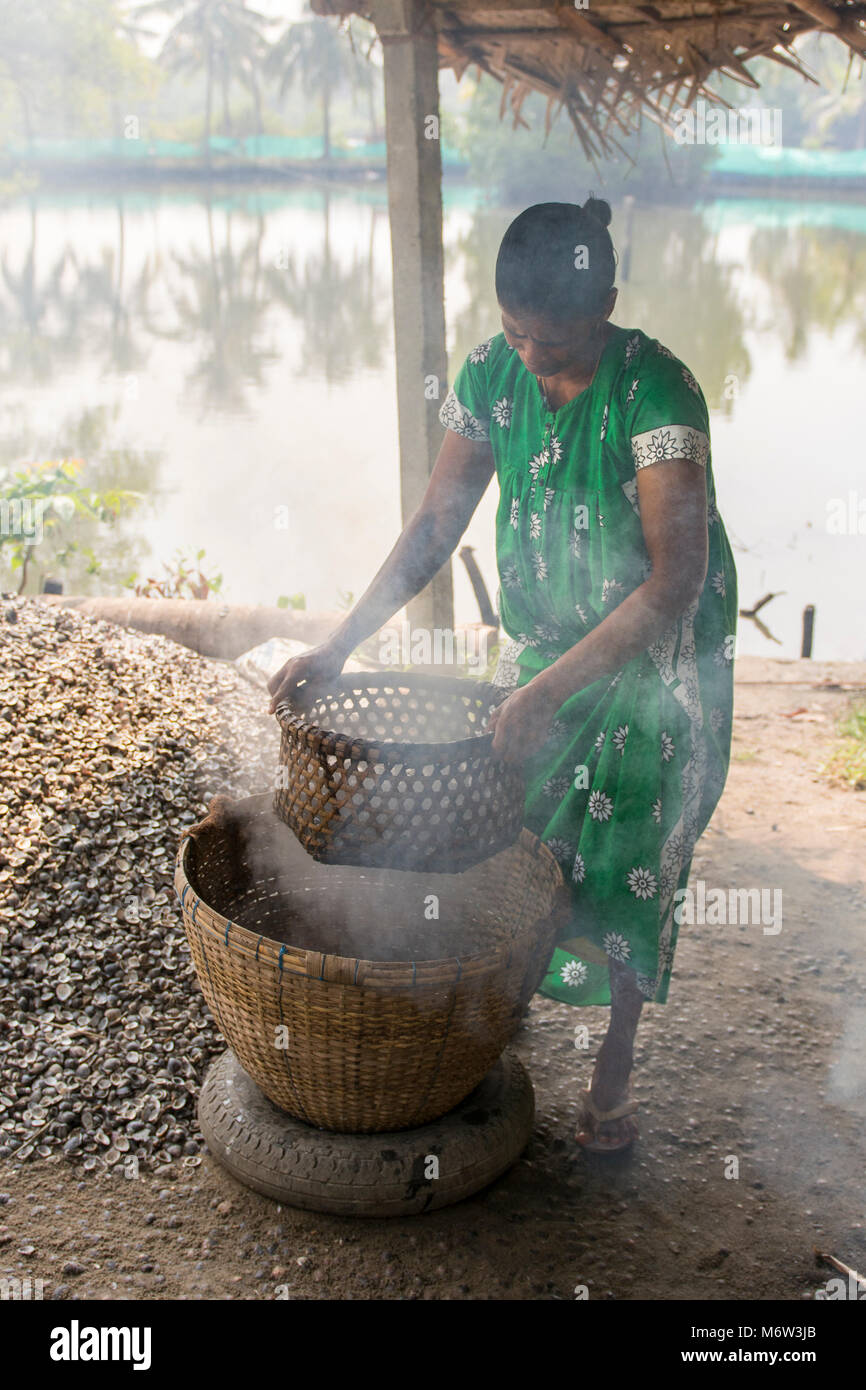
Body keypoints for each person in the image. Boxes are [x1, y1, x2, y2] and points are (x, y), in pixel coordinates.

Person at [268, 198, 738, 1153]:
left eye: (557, 339)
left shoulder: (661, 392)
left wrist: (545, 693)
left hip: (658, 657)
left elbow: (676, 575)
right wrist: (341, 642)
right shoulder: (487, 376)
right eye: (518, 332)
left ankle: (613, 1066)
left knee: (626, 864)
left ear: (608, 303)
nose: (532, 357)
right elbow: (435, 527)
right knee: (523, 847)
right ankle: (497, 1019)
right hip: (546, 649)